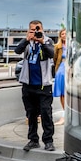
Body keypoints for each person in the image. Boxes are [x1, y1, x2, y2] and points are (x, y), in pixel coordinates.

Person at [15, 20, 56, 151]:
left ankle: (48, 141)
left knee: (46, 113)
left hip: (44, 85)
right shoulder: (27, 42)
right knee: (31, 114)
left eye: (37, 30)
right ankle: (33, 140)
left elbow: (51, 54)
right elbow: (17, 50)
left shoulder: (47, 41)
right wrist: (27, 39)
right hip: (28, 85)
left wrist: (42, 41)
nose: (35, 33)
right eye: (32, 30)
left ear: (42, 30)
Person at [53, 28, 67, 116]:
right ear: (60, 36)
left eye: (66, 33)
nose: (64, 35)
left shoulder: (73, 45)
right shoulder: (57, 46)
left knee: (68, 91)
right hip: (61, 69)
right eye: (62, 34)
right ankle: (64, 110)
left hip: (69, 69)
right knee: (62, 92)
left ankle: (69, 110)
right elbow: (55, 59)